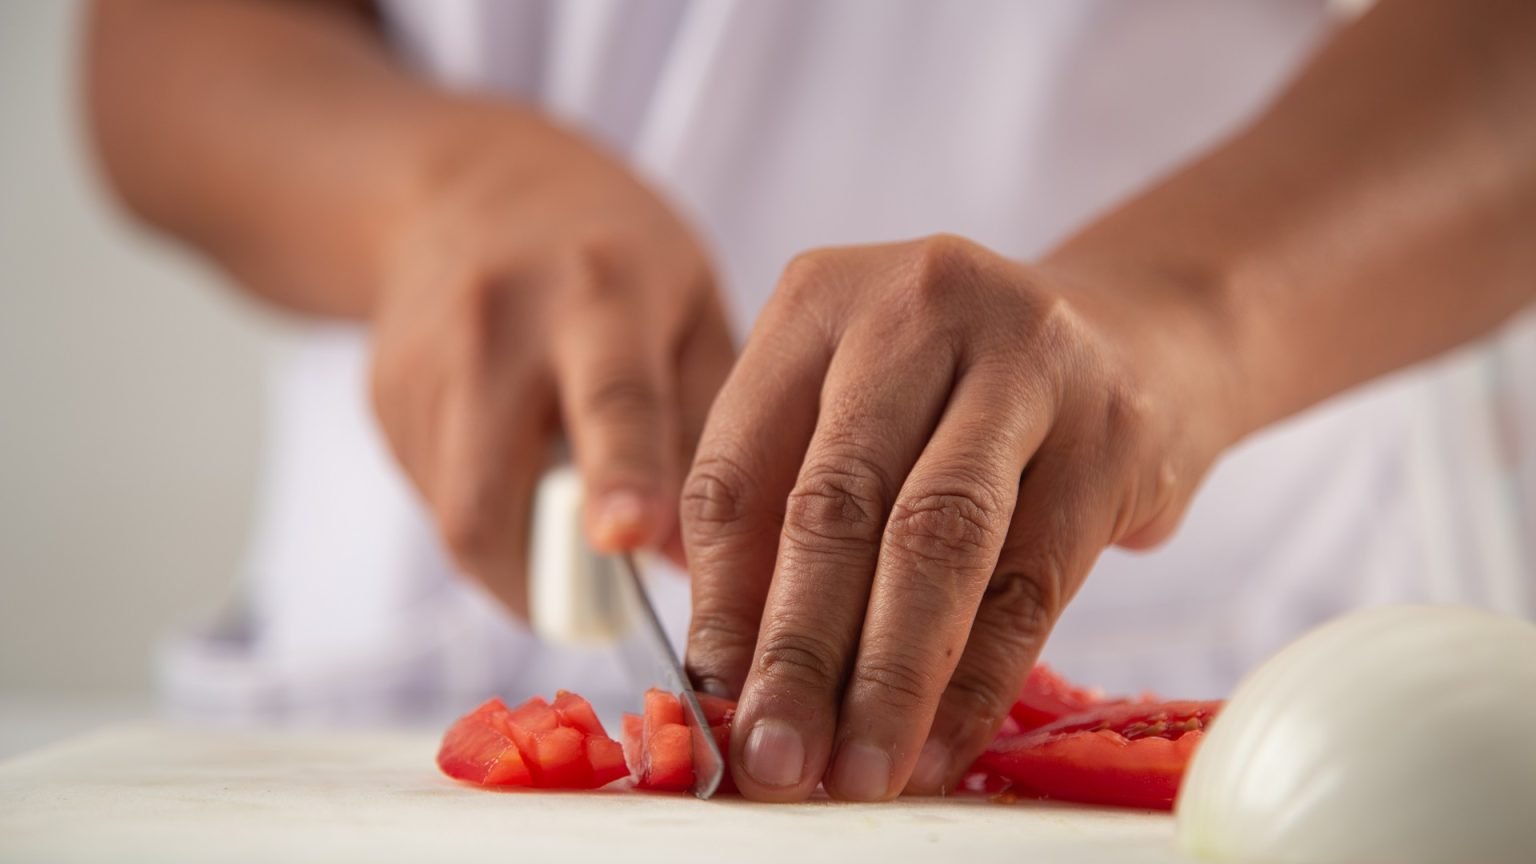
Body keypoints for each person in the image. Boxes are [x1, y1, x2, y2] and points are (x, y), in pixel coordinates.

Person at [86, 0, 1535, 802]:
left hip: (1247, 599)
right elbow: (157, 45)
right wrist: (429, 193)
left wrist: (1188, 317)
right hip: (387, 673)